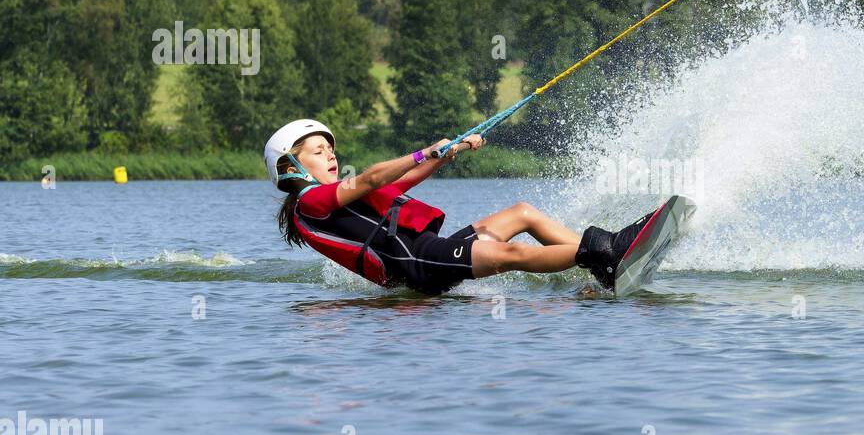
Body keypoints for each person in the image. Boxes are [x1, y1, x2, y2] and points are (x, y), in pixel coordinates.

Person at [264, 118, 649, 295]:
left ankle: (603, 267)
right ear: (291, 167)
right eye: (319, 151)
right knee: (509, 253)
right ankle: (604, 253)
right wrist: (423, 151)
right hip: (417, 265)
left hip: (427, 252)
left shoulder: (339, 197)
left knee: (522, 213)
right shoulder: (309, 203)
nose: (331, 155)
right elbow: (372, 178)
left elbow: (400, 181)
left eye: (331, 148)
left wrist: (449, 153)